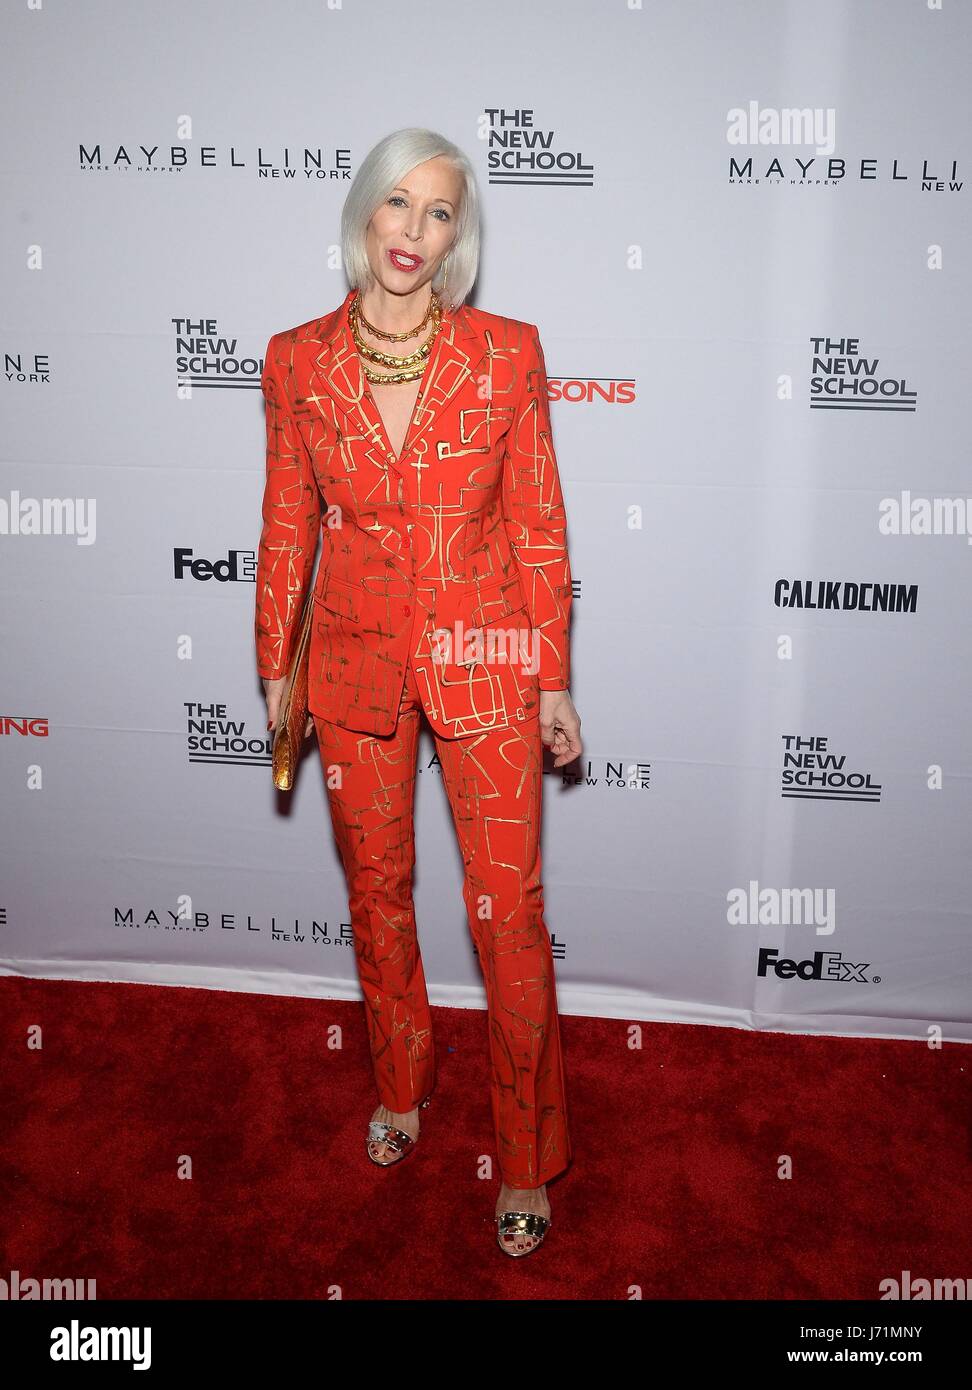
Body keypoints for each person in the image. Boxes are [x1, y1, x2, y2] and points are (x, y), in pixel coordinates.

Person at [256, 127, 581, 1256]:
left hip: (489, 657)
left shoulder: (508, 354)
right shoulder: (296, 360)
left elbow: (538, 525)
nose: (413, 231)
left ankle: (529, 1153)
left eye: (439, 212)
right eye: (397, 204)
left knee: (511, 919)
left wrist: (552, 677)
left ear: (459, 237)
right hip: (348, 658)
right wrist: (273, 669)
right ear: (364, 215)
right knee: (378, 892)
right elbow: (287, 523)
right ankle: (402, 1084)